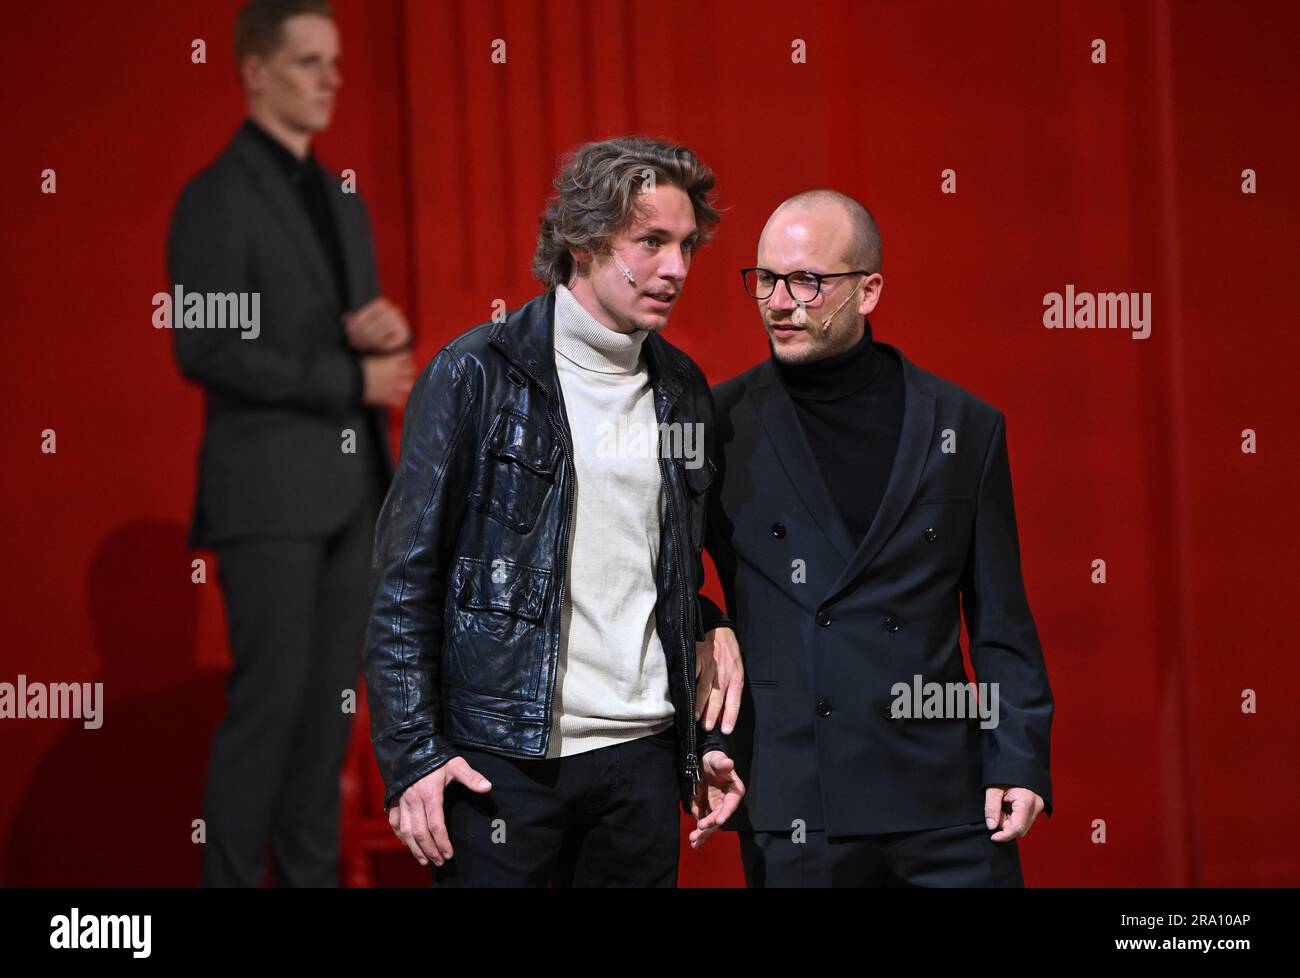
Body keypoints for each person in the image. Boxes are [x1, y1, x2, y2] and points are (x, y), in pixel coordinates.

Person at [363, 136, 744, 887]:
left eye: (688, 245)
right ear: (584, 239)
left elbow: (646, 567)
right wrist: (413, 758)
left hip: (640, 762)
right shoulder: (475, 373)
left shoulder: (682, 388)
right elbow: (405, 581)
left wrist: (710, 624)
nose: (676, 269)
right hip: (504, 763)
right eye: (653, 242)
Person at [701, 189, 1054, 886]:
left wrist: (1018, 758)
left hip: (946, 803)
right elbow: (661, 583)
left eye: (807, 281)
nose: (779, 301)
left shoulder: (963, 426)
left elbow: (1001, 620)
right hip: (799, 802)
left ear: (869, 290)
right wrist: (708, 625)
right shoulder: (719, 424)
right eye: (765, 279)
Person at [168, 0, 415, 886]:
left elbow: (335, 329)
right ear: (255, 71)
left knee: (325, 722)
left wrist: (379, 334)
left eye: (336, 61)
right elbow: (203, 341)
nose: (331, 79)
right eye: (310, 61)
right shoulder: (215, 196)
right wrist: (351, 380)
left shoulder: (340, 198)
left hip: (353, 491)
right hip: (267, 496)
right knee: (269, 713)